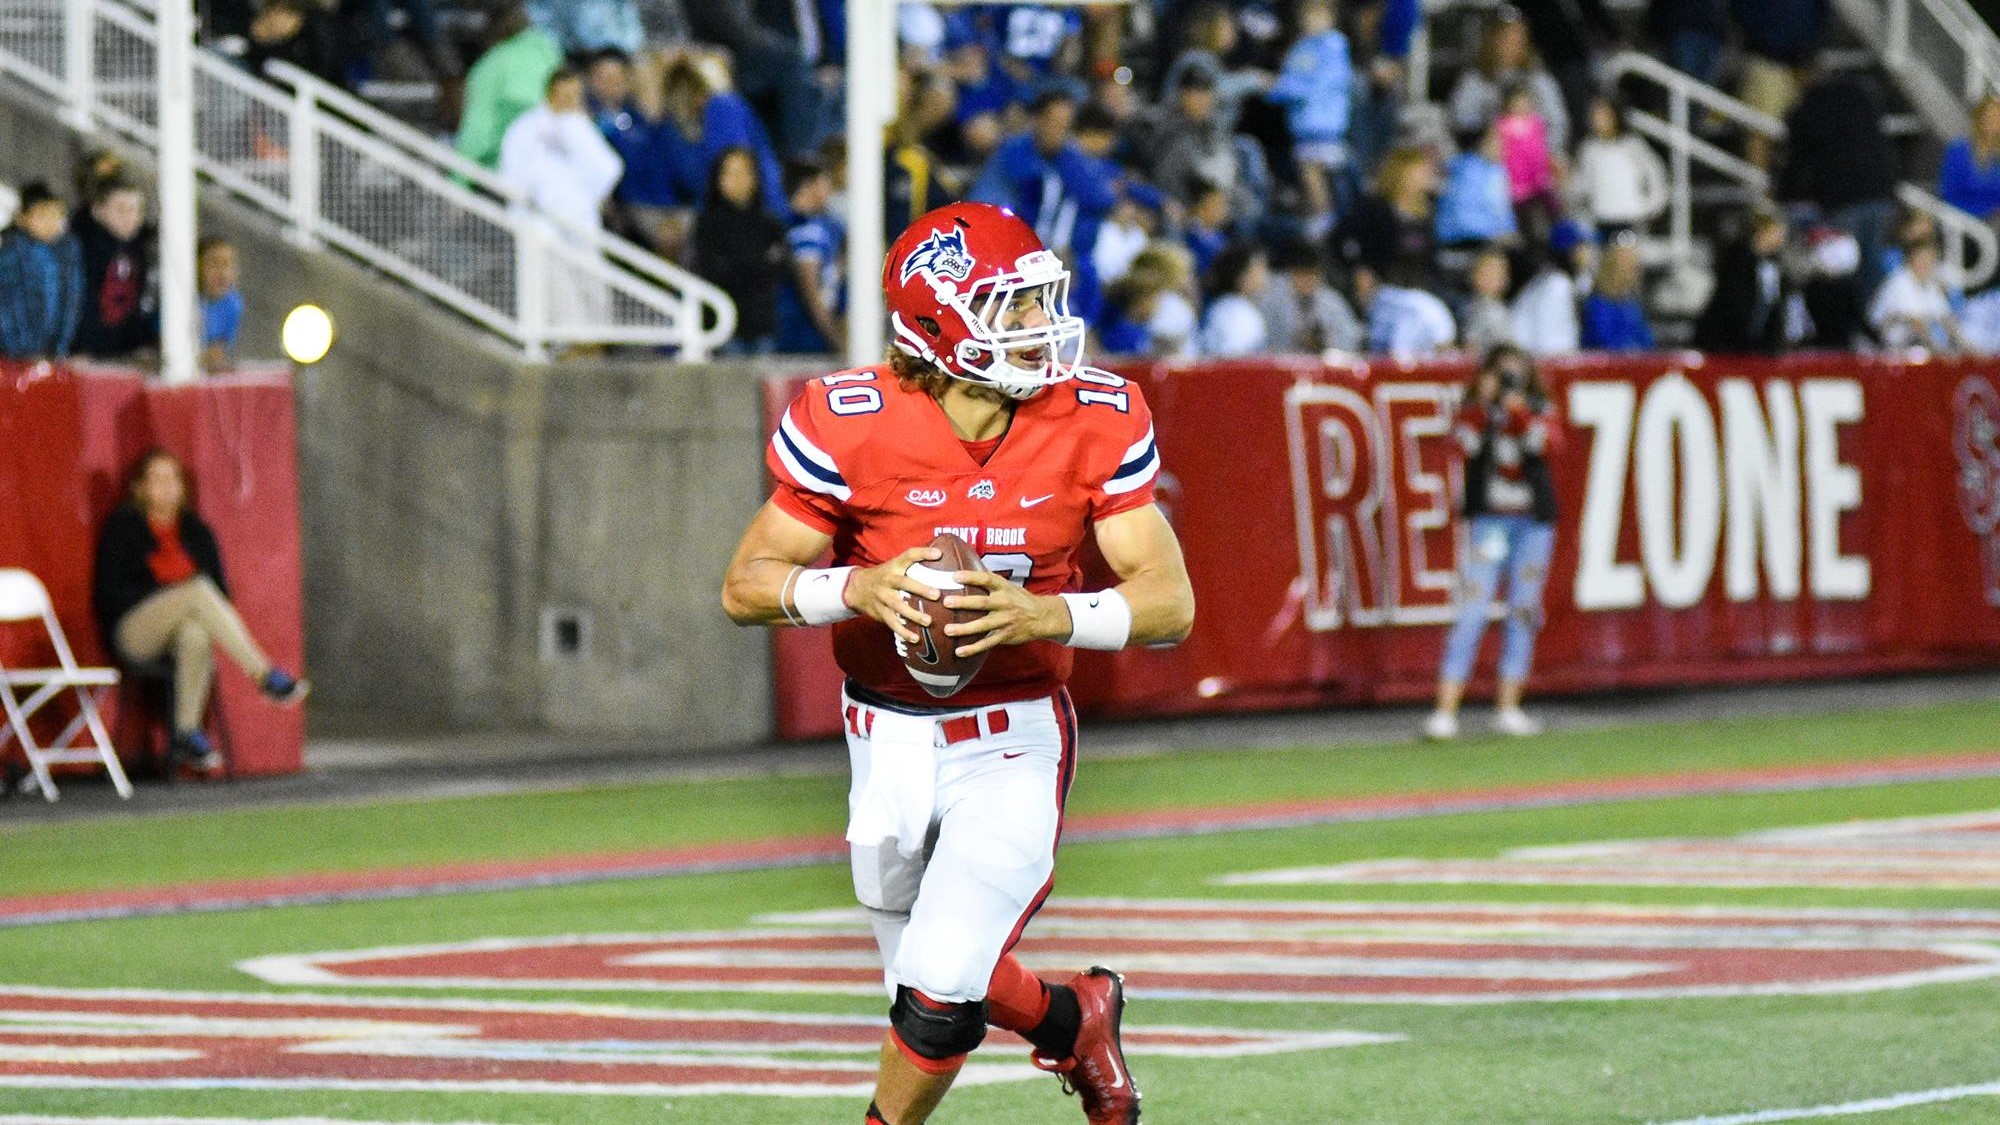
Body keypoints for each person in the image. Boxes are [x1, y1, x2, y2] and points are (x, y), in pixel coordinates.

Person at [720, 200, 1194, 1125]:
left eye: (1035, 301)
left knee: (938, 994)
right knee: (933, 984)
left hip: (1011, 738)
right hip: (882, 738)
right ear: (940, 328)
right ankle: (1077, 1016)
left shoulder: (1090, 415)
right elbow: (746, 583)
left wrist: (1044, 612)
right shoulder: (852, 419)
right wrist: (853, 588)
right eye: (1010, 308)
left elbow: (1169, 603)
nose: (1038, 325)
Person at [92, 450, 309, 773]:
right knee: (196, 590)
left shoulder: (195, 531)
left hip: (182, 628)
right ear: (140, 488)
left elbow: (220, 596)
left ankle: (186, 733)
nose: (167, 487)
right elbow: (109, 594)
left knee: (196, 632)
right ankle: (263, 674)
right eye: (158, 479)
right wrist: (171, 595)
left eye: (173, 479)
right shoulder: (123, 527)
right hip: (134, 629)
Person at [1423, 344, 1561, 740]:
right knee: (1472, 607)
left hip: (1532, 526)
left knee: (1523, 611)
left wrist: (1517, 411)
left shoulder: (1538, 408)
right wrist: (1483, 408)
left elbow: (1546, 445)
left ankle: (1508, 705)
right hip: (1493, 525)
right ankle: (1447, 708)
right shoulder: (1478, 413)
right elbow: (1457, 446)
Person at [1269, 0, 1354, 235]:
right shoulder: (1300, 47)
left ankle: (1328, 219)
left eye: (1317, 15)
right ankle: (1321, 216)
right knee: (1308, 172)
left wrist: (1285, 89)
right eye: (1307, 15)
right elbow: (1289, 77)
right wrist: (1276, 89)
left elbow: (1322, 82)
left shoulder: (1334, 44)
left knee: (1317, 171)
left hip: (1324, 123)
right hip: (1302, 124)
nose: (1311, 20)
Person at [693, 146, 788, 355]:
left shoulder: (770, 224)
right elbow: (712, 270)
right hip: (724, 328)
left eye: (744, 172)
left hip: (762, 326)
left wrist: (742, 265)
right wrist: (756, 264)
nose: (738, 179)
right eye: (730, 173)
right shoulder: (707, 225)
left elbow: (779, 266)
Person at [454, 5, 564, 170]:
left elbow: (476, 137)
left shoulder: (489, 68)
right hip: (555, 165)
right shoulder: (548, 52)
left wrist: (457, 181)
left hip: (509, 172)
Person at [72, 177, 157, 361]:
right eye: (121, 209)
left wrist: (140, 344)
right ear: (98, 211)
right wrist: (79, 346)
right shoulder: (83, 248)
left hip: (122, 353)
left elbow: (140, 303)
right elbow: (80, 300)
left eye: (136, 210)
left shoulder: (140, 251)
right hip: (85, 353)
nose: (130, 217)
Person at [0, 182, 85, 361]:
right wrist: (19, 349)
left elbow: (72, 302)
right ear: (22, 218)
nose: (51, 222)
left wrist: (60, 347)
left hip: (53, 353)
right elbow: (7, 305)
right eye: (42, 215)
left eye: (57, 215)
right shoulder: (10, 253)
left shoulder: (69, 251)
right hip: (14, 354)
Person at [1694, 206, 1792, 354]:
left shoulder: (1774, 265)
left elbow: (1774, 306)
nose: (1781, 237)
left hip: (1758, 347)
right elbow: (1734, 305)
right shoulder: (1736, 260)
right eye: (1776, 231)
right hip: (1726, 346)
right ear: (1761, 231)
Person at [1567, 95, 1668, 236]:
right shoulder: (1589, 149)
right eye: (1595, 115)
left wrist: (1651, 206)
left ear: (1615, 116)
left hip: (1629, 216)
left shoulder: (1632, 145)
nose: (1598, 120)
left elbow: (1655, 174)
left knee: (1624, 251)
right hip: (1601, 216)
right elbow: (1582, 184)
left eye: (1603, 115)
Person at [776, 157, 845, 355]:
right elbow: (811, 290)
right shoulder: (805, 231)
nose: (830, 189)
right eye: (825, 182)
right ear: (809, 185)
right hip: (805, 334)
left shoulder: (823, 224)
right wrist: (836, 338)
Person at [1258, 238, 1365, 354]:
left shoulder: (1331, 302)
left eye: (1311, 275)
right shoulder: (1274, 302)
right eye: (1301, 275)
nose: (1306, 281)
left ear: (1319, 275)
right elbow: (1266, 341)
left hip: (1324, 365)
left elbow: (1352, 338)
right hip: (1284, 363)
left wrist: (1325, 341)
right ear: (1291, 274)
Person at [1869, 233, 1968, 354]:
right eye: (1921, 257)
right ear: (1910, 258)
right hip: (1875, 348)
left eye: (1930, 258)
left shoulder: (1929, 285)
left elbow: (1946, 320)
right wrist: (1939, 352)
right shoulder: (1900, 282)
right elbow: (1916, 323)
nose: (1926, 262)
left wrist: (1971, 350)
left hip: (1903, 347)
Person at [1512, 219, 1594, 355]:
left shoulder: (1571, 280)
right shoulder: (1555, 285)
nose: (1587, 253)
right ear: (1568, 251)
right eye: (1582, 247)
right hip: (1537, 358)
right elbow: (1551, 344)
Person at [1579, 233, 1653, 350]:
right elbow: (1605, 343)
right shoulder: (1597, 305)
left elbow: (1647, 341)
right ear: (1613, 268)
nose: (1635, 271)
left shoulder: (1632, 305)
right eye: (1629, 265)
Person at [1198, 241, 1270, 357]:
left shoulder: (1234, 306)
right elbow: (1230, 360)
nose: (1265, 275)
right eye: (1259, 268)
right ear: (1241, 276)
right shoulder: (1233, 312)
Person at [1938, 94, 2000, 225]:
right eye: (1990, 116)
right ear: (1980, 118)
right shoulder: (1958, 150)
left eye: (1998, 117)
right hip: (1965, 220)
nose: (1994, 122)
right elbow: (1949, 195)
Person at [198, 237, 244, 372]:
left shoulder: (233, 304)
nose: (223, 273)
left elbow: (218, 351)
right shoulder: (179, 302)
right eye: (214, 264)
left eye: (228, 265)